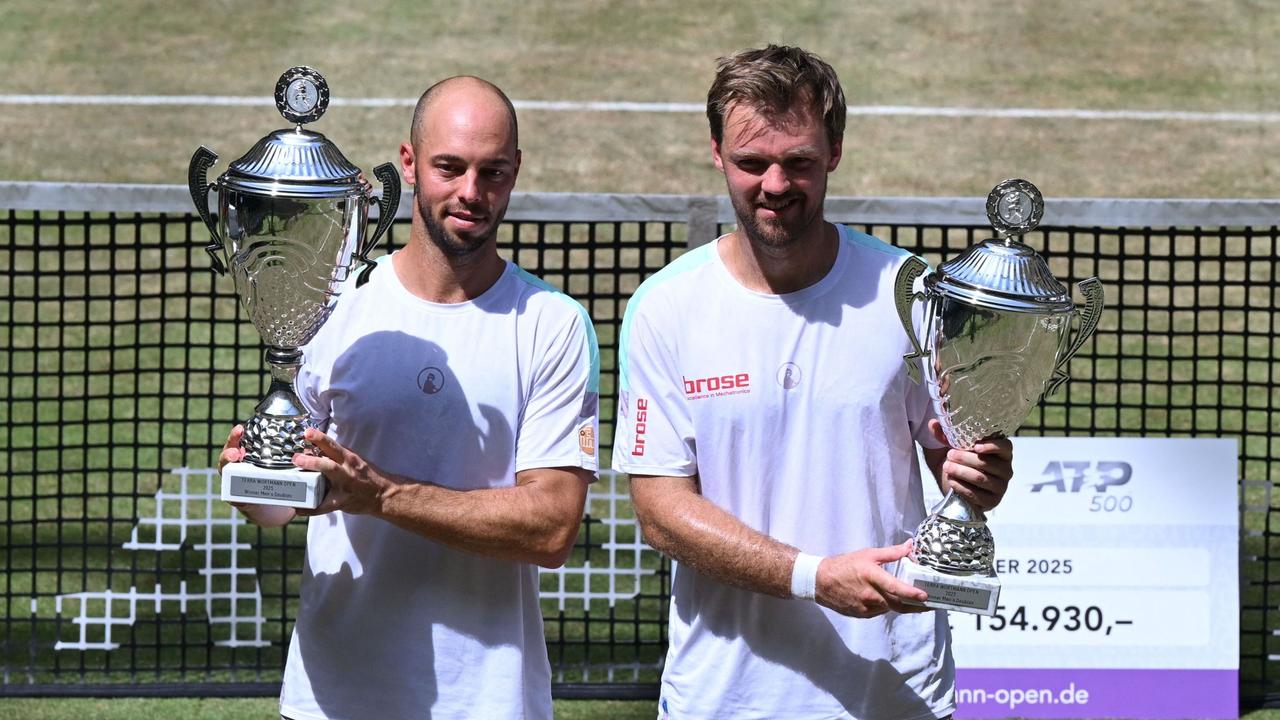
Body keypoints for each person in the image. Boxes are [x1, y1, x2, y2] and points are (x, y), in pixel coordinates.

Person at [612, 45, 1014, 719]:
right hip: (725, 699)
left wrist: (981, 473)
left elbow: (957, 464)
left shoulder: (910, 292)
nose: (775, 183)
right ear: (716, 152)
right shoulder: (665, 307)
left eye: (797, 161)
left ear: (834, 152)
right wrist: (815, 578)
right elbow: (661, 513)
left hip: (894, 693)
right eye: (751, 162)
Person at [219, 76, 599, 720]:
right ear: (409, 164)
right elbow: (282, 511)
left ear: (516, 172)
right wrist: (258, 478)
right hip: (332, 700)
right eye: (450, 168)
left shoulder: (552, 323)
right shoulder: (332, 305)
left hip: (489, 703)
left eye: (493, 172)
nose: (471, 193)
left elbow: (552, 528)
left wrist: (384, 496)